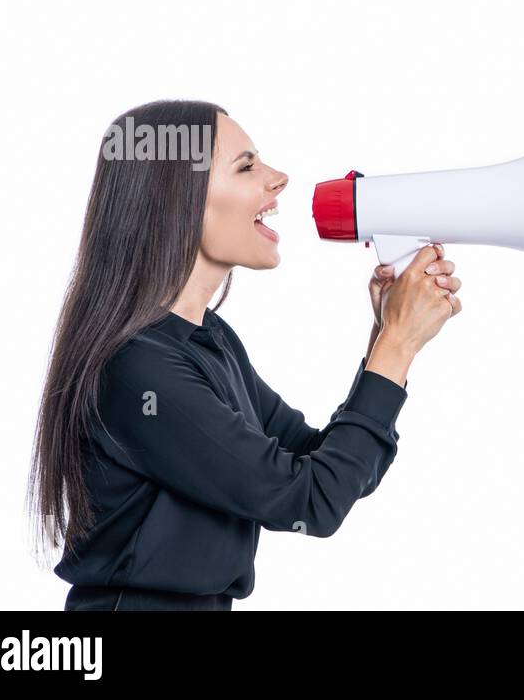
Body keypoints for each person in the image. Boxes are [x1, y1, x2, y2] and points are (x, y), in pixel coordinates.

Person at [29, 100, 460, 610]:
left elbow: (330, 470)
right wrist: (398, 345)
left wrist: (385, 338)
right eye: (247, 166)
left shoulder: (209, 341)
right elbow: (313, 501)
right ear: (179, 200)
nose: (278, 179)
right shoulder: (135, 369)